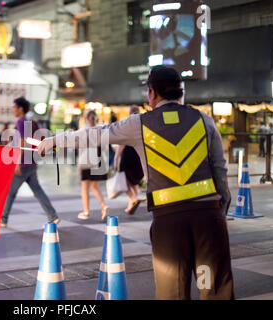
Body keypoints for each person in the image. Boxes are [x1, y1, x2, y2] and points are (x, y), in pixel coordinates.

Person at [39, 65, 234, 300]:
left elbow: (96, 134)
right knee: (213, 289)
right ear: (181, 93)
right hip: (208, 219)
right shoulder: (204, 120)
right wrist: (220, 213)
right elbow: (220, 171)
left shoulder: (140, 123)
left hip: (169, 222)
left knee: (173, 292)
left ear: (151, 93)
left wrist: (54, 141)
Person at [0, 97, 60, 228]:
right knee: (37, 190)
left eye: (14, 107)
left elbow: (22, 142)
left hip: (24, 162)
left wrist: (17, 162)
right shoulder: (29, 121)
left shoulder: (21, 121)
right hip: (32, 161)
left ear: (21, 109)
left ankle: (3, 219)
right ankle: (53, 216)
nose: (13, 109)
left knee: (10, 191)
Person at [77, 110, 109, 221]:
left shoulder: (83, 131)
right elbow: (105, 148)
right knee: (95, 187)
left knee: (85, 187)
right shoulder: (101, 129)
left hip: (86, 161)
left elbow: (79, 147)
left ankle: (86, 211)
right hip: (98, 160)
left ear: (86, 119)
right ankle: (103, 205)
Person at [114, 106, 144, 215]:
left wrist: (116, 158)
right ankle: (132, 203)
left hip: (127, 157)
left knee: (123, 181)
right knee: (133, 181)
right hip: (138, 156)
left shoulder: (128, 124)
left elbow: (121, 143)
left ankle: (133, 198)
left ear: (130, 113)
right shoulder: (142, 125)